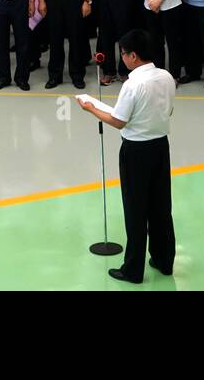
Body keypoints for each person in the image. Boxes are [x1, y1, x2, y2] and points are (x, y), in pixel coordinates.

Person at [77, 28, 176, 284]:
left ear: (133, 55)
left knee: (135, 210)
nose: (122, 58)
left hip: (135, 152)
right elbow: (169, 111)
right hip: (160, 146)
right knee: (161, 206)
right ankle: (164, 260)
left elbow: (119, 121)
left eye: (123, 53)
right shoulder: (166, 77)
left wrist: (91, 109)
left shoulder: (133, 84)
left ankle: (133, 269)